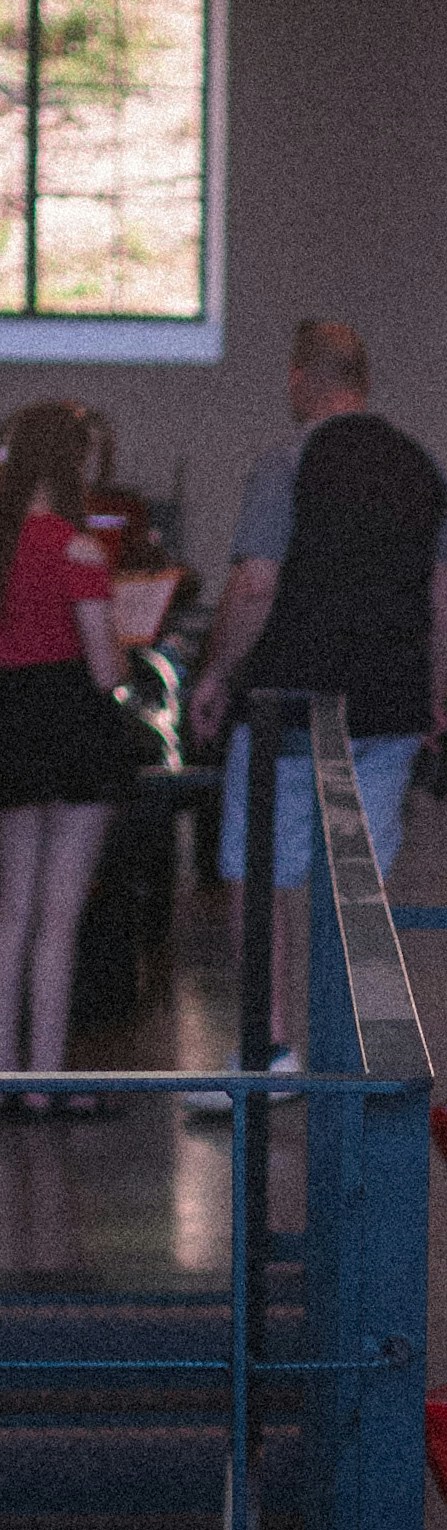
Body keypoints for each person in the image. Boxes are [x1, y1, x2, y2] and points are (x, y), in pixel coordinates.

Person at [187, 320, 447, 1068]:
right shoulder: (422, 470)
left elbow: (254, 584)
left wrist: (214, 675)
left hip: (288, 709)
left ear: (303, 376)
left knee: (258, 868)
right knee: (358, 885)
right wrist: (434, 701)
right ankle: (354, 1047)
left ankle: (269, 1047)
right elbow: (442, 603)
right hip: (390, 711)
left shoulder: (289, 464)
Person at [0, 400, 133, 1110]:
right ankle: (46, 1086)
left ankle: (4, 1074)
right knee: (58, 916)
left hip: (10, 726)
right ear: (71, 462)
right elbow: (106, 670)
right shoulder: (78, 551)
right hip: (74, 731)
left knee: (10, 913)